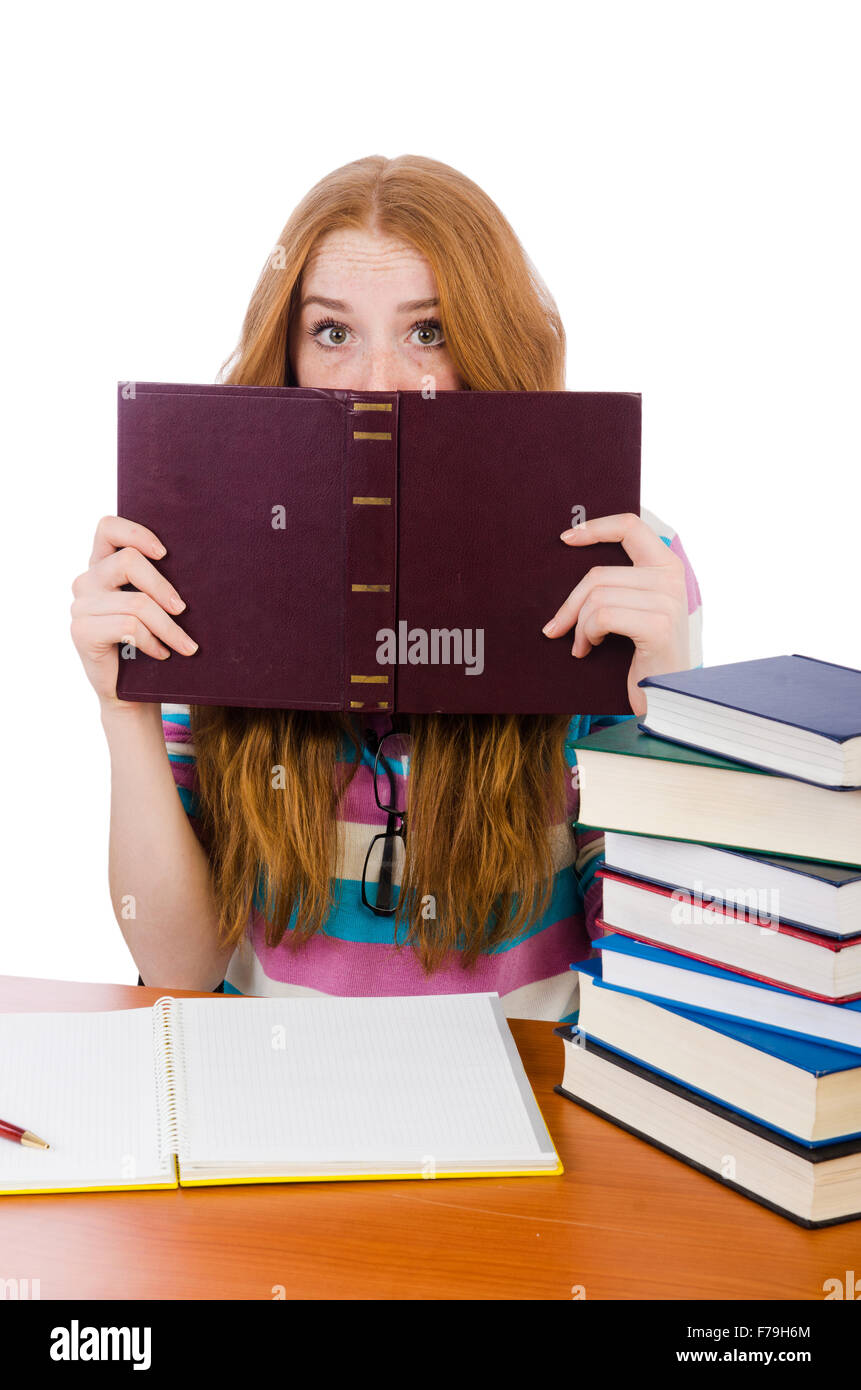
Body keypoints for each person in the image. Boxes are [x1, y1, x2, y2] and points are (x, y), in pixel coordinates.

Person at [70, 154, 702, 1020]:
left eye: (428, 331)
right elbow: (178, 963)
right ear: (286, 355)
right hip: (274, 1094)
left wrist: (668, 717)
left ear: (491, 347)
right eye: (333, 332)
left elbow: (660, 955)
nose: (377, 382)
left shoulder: (622, 566)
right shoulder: (201, 559)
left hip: (533, 1098)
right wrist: (124, 710)